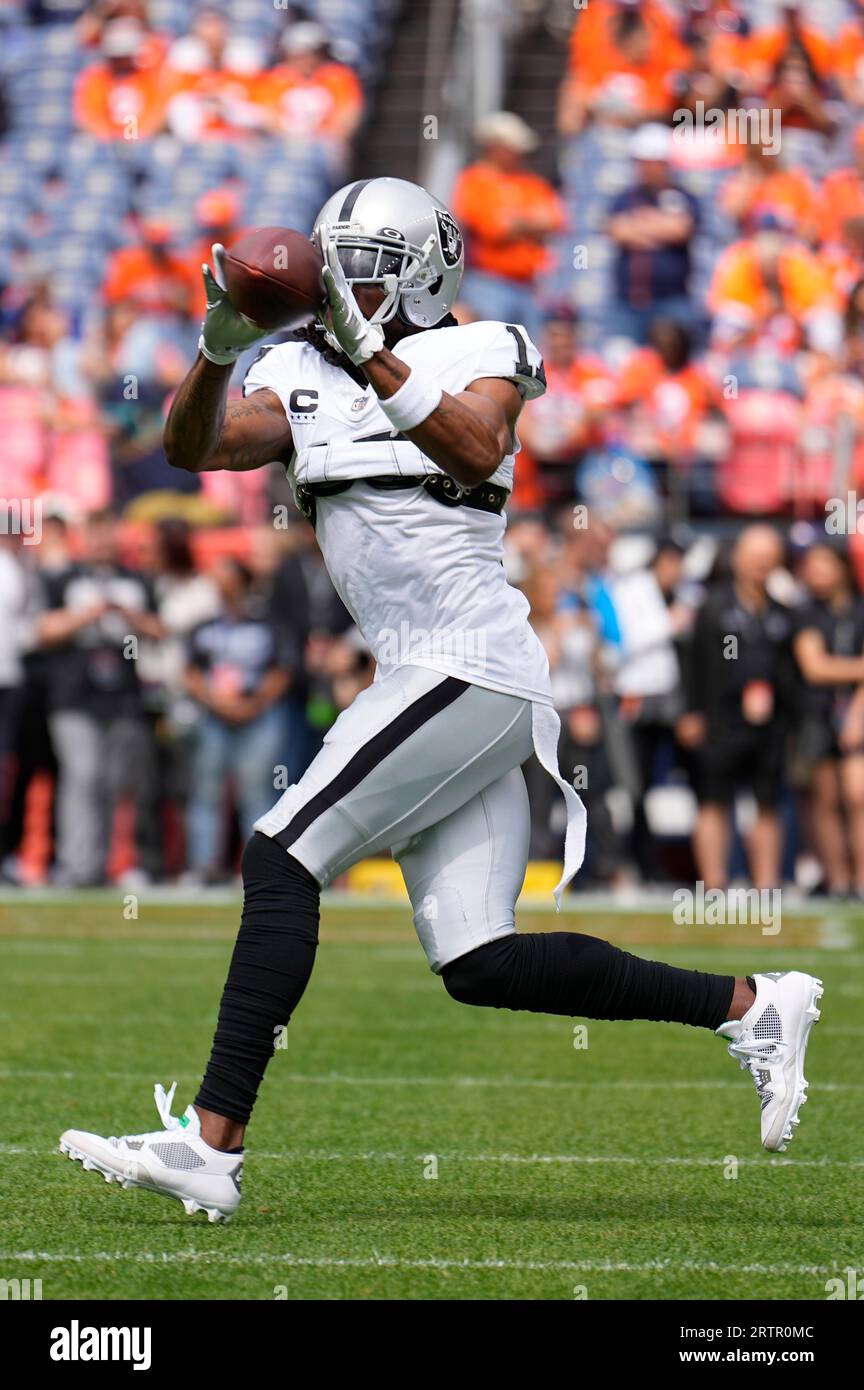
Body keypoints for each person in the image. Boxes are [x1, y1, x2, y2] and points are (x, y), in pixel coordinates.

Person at [60, 178, 822, 1223]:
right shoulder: (297, 366)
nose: (344, 288)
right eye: (335, 270)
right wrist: (216, 344)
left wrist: (367, 353)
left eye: (366, 267)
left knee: (281, 853)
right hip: (419, 670)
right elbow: (196, 449)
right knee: (479, 959)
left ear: (424, 269)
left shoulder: (490, 346)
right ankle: (752, 1006)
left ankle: (211, 1141)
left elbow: (474, 446)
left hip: (472, 663)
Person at [35, 510, 164, 886]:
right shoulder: (62, 578)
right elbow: (42, 630)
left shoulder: (137, 581)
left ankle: (103, 865)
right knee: (82, 776)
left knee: (114, 781)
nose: (102, 543)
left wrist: (126, 614)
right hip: (73, 694)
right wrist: (87, 616)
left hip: (124, 696)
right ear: (83, 539)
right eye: (95, 535)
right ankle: (77, 866)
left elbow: (160, 629)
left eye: (108, 535)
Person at [183, 555, 293, 881]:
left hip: (259, 715)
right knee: (205, 791)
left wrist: (254, 703)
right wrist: (217, 702)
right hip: (213, 716)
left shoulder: (268, 625)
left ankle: (255, 869)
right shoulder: (203, 626)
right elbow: (190, 672)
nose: (222, 586)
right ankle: (202, 866)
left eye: (228, 578)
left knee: (256, 791)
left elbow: (282, 670)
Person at [452, 112, 566, 340]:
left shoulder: (530, 182)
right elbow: (494, 229)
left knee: (529, 358)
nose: (521, 154)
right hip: (488, 283)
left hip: (530, 285)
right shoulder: (474, 181)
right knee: (489, 350)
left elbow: (555, 220)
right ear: (496, 147)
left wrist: (518, 223)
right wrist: (531, 224)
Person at [606, 123, 700, 344]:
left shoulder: (682, 196)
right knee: (626, 366)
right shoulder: (625, 197)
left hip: (672, 301)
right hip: (628, 302)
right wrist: (660, 228)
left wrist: (639, 224)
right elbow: (618, 231)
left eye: (648, 163)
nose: (643, 168)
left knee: (674, 366)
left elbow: (681, 230)